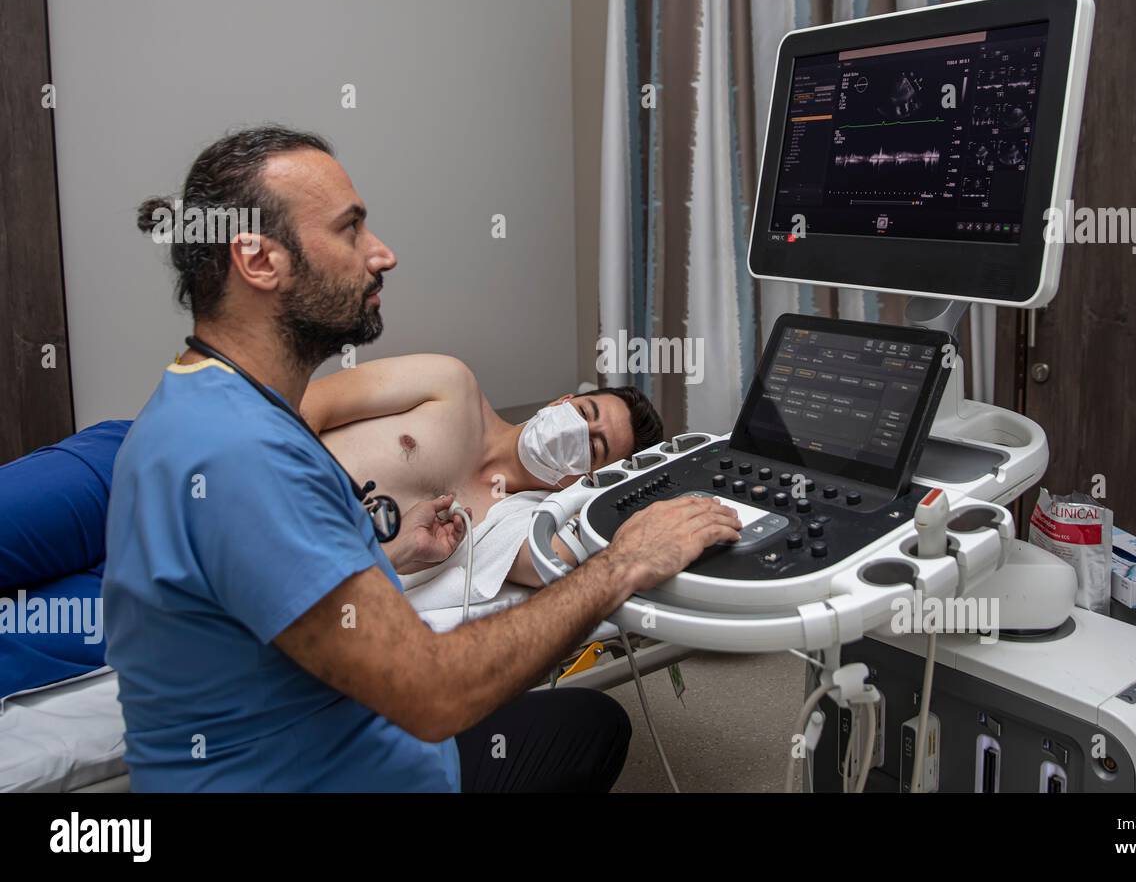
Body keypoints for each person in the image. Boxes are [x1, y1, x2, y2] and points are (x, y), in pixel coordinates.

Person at [103, 125, 741, 792]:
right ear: (259, 262)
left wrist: (387, 555)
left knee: (586, 723)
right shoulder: (244, 458)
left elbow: (279, 583)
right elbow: (433, 695)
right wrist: (624, 563)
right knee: (581, 731)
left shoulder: (204, 402)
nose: (383, 255)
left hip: (330, 735)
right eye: (350, 230)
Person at [301, 357, 662, 606]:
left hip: (310, 584)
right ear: (562, 401)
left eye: (593, 446)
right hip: (265, 491)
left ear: (587, 480)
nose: (577, 431)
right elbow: (304, 406)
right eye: (584, 413)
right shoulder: (449, 385)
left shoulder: (518, 523)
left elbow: (555, 561)